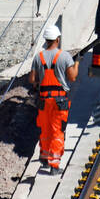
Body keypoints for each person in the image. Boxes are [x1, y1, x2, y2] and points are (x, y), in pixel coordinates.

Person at [30, 21, 78, 170]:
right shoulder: (64, 57)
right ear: (57, 39)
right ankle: (54, 165)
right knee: (57, 131)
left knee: (45, 129)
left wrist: (38, 84)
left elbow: (32, 79)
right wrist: (76, 65)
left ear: (46, 40)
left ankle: (45, 157)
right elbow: (72, 78)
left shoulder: (38, 57)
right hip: (59, 101)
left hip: (44, 100)